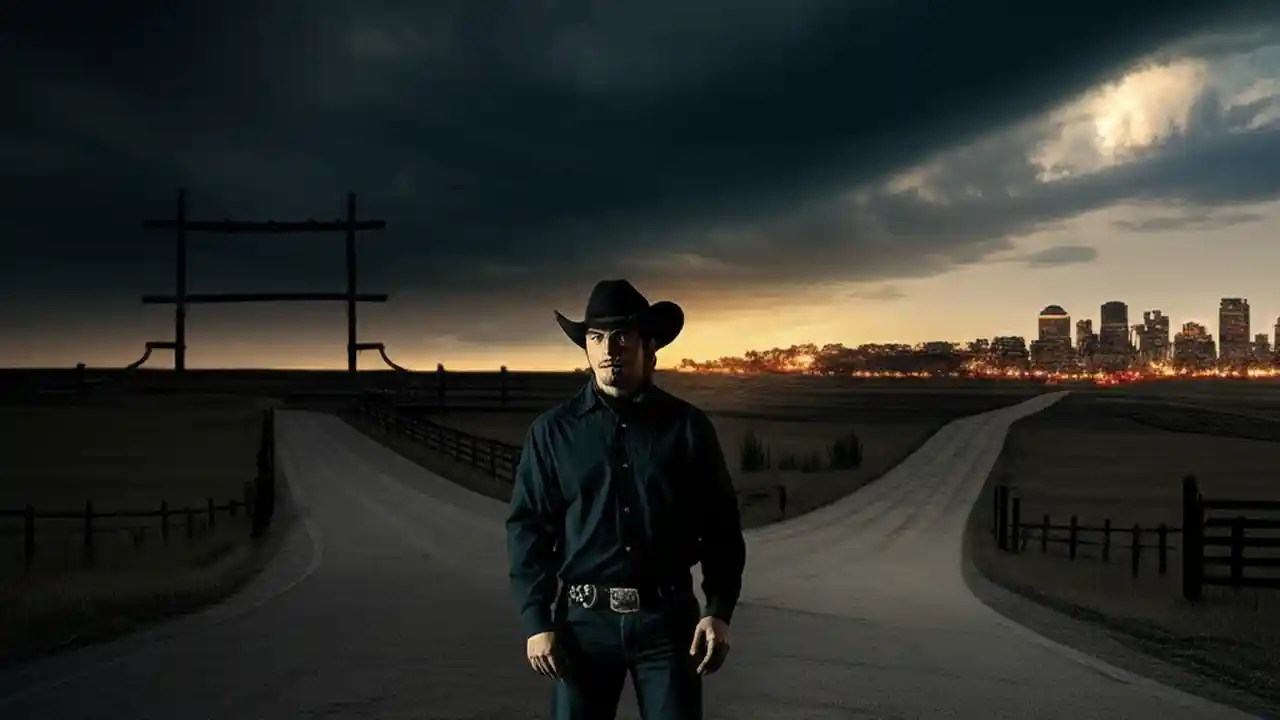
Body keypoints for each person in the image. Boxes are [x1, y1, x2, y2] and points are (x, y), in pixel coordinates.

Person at [506, 278, 747, 719]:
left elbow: (721, 526)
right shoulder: (552, 433)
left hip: (667, 623)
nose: (608, 349)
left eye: (621, 336)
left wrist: (719, 609)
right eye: (596, 338)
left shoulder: (688, 428)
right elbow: (528, 528)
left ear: (648, 345)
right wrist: (536, 619)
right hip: (582, 626)